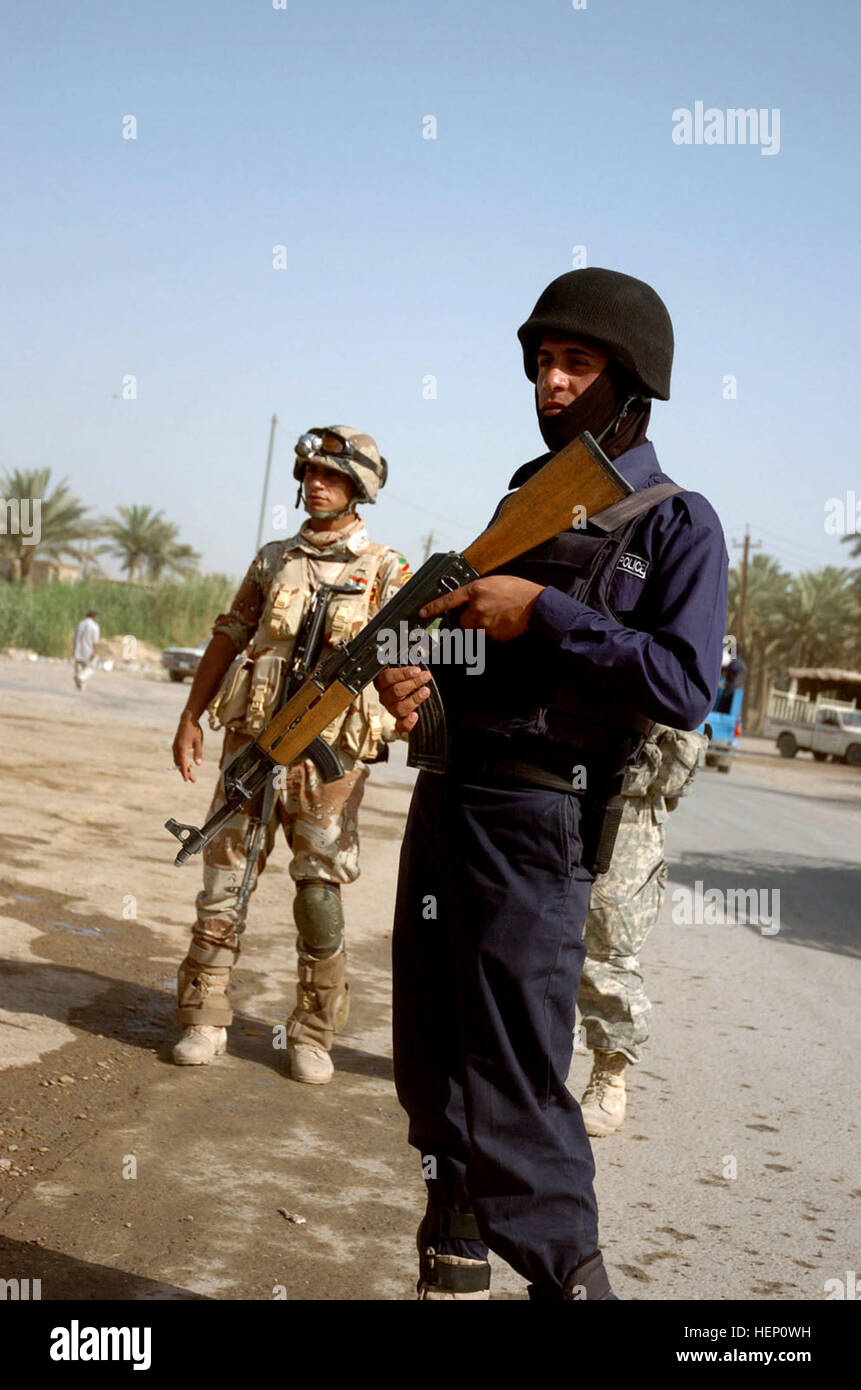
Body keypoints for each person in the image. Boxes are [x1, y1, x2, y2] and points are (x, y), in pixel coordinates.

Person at [375, 268, 729, 1300]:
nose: (552, 382)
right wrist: (418, 673)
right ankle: (455, 1221)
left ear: (631, 384)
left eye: (577, 363)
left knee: (518, 1076)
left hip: (544, 814)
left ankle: (575, 1282)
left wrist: (548, 612)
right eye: (542, 364)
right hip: (451, 797)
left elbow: (681, 681)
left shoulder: (678, 522)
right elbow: (471, 649)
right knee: (429, 1050)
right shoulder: (520, 506)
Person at [170, 426, 412, 1084]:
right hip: (250, 743)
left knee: (318, 889)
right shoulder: (274, 559)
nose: (313, 482)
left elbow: (414, 659)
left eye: (330, 475)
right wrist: (191, 715)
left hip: (328, 759)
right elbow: (229, 633)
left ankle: (311, 1030)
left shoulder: (386, 570)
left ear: (358, 488)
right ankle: (203, 1015)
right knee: (224, 875)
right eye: (308, 471)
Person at [577, 723, 707, 1138]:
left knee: (608, 949)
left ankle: (609, 1074)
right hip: (546, 778)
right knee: (522, 935)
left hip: (627, 800)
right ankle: (522, 1065)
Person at [73, 611, 99, 689]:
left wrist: (74, 648)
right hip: (88, 650)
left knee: (79, 667)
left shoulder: (80, 624)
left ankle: (80, 687)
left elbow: (75, 638)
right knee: (91, 667)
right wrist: (94, 651)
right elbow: (95, 640)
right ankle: (81, 678)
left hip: (78, 649)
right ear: (93, 617)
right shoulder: (94, 626)